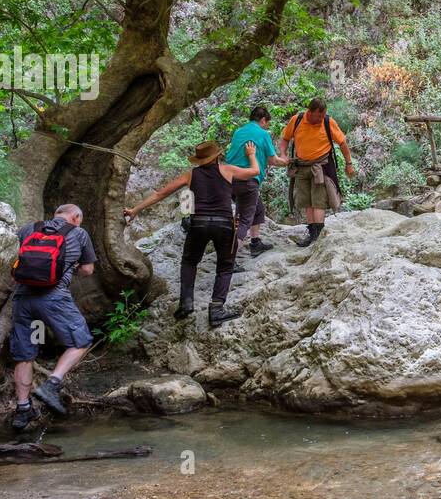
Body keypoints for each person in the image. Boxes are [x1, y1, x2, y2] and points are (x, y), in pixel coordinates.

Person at [123, 140, 275, 328]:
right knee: (225, 267)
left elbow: (161, 193)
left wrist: (135, 210)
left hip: (199, 224)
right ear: (217, 156)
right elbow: (255, 172)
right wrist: (251, 154)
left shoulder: (190, 175)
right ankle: (217, 309)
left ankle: (186, 302)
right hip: (224, 225)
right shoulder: (227, 170)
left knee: (189, 262)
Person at [9, 204, 97, 431]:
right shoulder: (79, 233)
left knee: (24, 354)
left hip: (22, 297)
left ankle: (22, 410)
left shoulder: (29, 229)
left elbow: (18, 258)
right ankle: (52, 383)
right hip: (54, 296)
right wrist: (72, 267)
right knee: (81, 340)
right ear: (76, 217)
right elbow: (88, 270)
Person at [276, 98, 355, 248]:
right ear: (310, 112)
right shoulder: (297, 120)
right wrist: (283, 154)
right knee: (306, 200)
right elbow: (285, 138)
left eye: (323, 115)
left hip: (321, 166)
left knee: (319, 200)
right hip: (301, 166)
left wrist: (349, 164)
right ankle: (311, 233)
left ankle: (318, 234)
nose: (321, 119)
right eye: (318, 116)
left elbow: (343, 143)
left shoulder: (327, 122)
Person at [224, 105, 279, 260]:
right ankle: (229, 259)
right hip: (248, 181)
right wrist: (287, 161)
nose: (267, 126)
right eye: (267, 123)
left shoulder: (238, 132)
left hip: (230, 179)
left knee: (258, 209)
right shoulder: (263, 134)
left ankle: (255, 243)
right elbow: (273, 160)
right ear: (263, 120)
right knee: (243, 221)